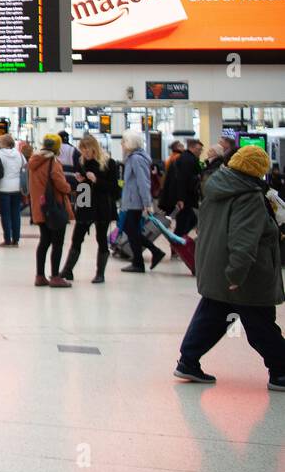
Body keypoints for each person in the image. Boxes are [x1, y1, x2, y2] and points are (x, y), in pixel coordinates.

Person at [173, 145, 285, 391]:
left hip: (216, 266)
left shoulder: (217, 186)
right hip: (245, 275)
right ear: (258, 170)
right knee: (261, 323)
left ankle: (188, 361)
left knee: (212, 316)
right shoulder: (248, 195)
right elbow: (243, 239)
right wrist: (236, 274)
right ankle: (281, 372)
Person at [59, 132, 117, 284]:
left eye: (86, 149)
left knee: (101, 238)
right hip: (85, 204)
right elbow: (83, 187)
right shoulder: (81, 162)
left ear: (94, 149)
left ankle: (100, 273)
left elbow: (114, 189)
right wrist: (81, 181)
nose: (84, 152)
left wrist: (96, 180)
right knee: (77, 237)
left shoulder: (108, 163)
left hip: (102, 205)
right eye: (82, 149)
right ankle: (67, 270)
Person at [27, 133, 74, 287]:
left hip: (40, 207)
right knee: (57, 243)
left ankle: (39, 276)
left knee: (44, 241)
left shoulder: (34, 161)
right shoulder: (52, 162)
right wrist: (69, 187)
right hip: (54, 207)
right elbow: (60, 184)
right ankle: (55, 277)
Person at [119, 129, 164, 272]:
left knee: (131, 230)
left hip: (136, 202)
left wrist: (147, 203)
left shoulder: (136, 159)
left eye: (124, 141)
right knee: (131, 230)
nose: (122, 144)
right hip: (132, 201)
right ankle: (143, 258)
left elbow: (143, 182)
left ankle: (141, 260)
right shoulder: (132, 158)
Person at [159, 138, 203, 239]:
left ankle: (177, 242)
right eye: (199, 149)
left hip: (182, 197)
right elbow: (182, 180)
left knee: (188, 221)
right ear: (192, 148)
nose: (200, 152)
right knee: (185, 222)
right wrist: (181, 198)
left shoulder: (182, 158)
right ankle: (176, 242)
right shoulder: (187, 159)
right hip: (185, 198)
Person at [0, 133, 26, 247]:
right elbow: (25, 167)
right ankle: (16, 239)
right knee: (15, 214)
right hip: (17, 188)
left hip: (3, 188)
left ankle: (7, 239)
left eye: (0, 142)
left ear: (3, 143)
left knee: (5, 215)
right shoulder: (19, 154)